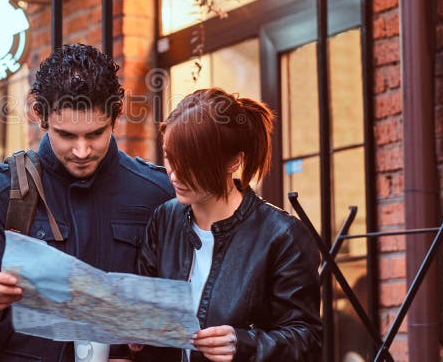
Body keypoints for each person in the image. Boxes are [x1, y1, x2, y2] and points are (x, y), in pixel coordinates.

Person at [0, 43, 174, 361]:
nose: (82, 151)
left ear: (116, 115)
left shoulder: (157, 192)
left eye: (95, 134)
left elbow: (175, 323)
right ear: (40, 116)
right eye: (67, 135)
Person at [137, 88, 322, 362]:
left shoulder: (281, 235)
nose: (175, 174)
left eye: (191, 163)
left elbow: (307, 341)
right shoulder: (164, 220)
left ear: (233, 161)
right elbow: (147, 311)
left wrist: (244, 345)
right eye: (169, 157)